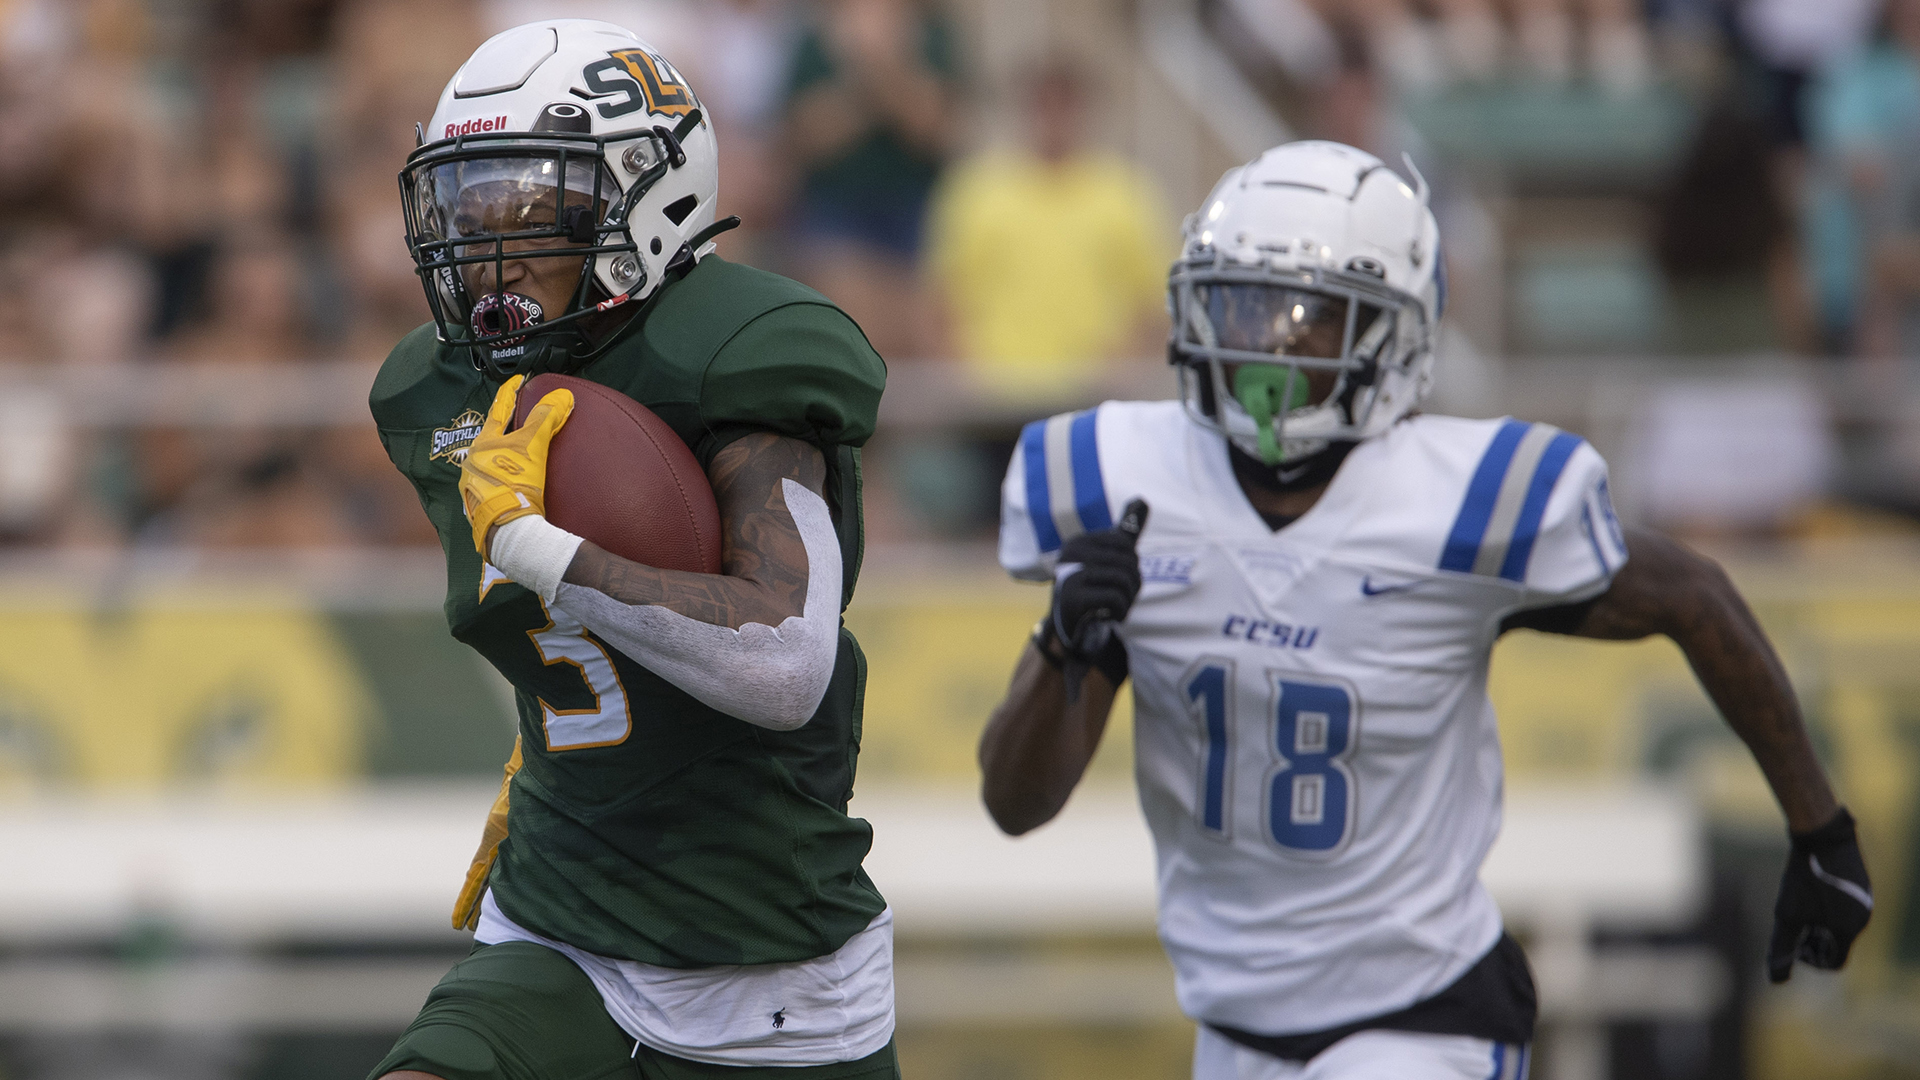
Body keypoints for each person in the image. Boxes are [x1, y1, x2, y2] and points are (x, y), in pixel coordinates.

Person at [978, 140, 1873, 1080]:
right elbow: (1015, 804)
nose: (1264, 343)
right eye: (1240, 302)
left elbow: (1694, 594)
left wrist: (1821, 830)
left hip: (1420, 1019)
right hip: (1232, 1030)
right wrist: (1060, 644)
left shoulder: (1460, 502)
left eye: (1309, 316)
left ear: (1391, 335)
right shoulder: (1130, 488)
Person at [367, 20, 895, 1080]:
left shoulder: (730, 355)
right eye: (470, 207)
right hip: (559, 916)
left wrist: (540, 548)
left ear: (645, 198)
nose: (487, 251)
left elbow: (786, 663)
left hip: (765, 964)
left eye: (529, 210)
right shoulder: (440, 391)